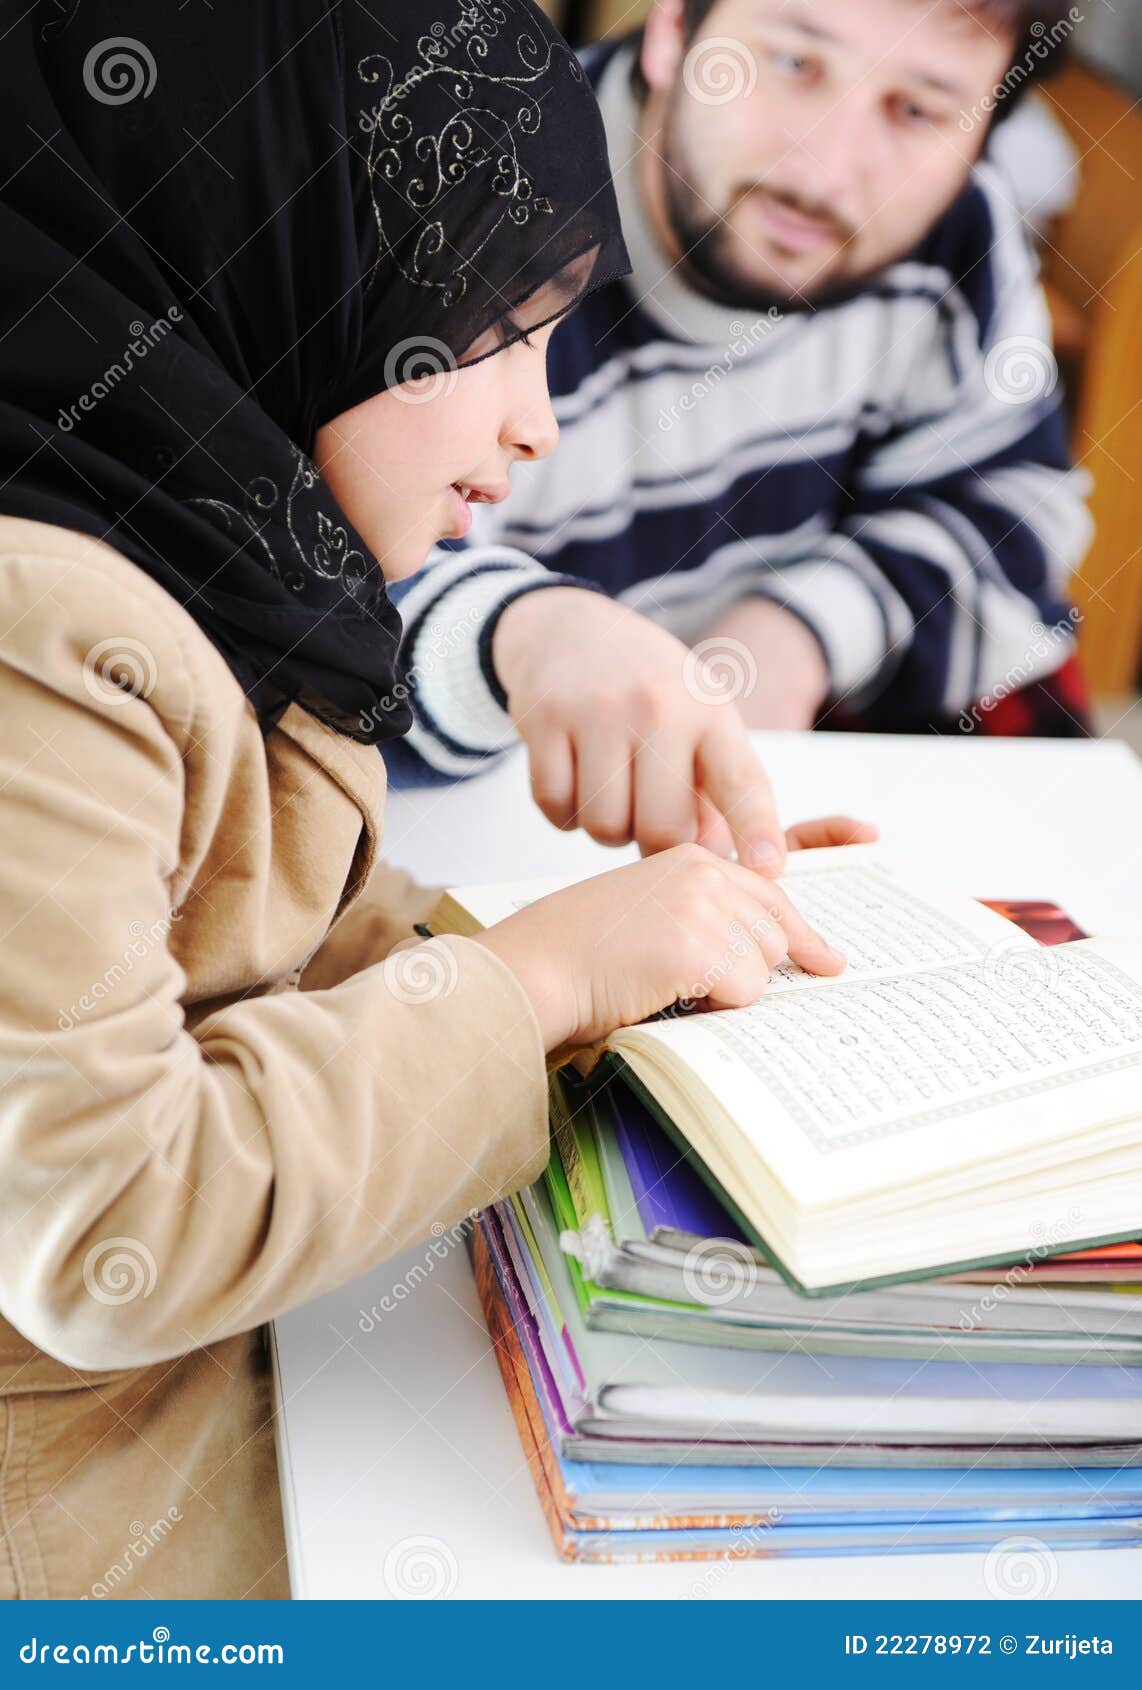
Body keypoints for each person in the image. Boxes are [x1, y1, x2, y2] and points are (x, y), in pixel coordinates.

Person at [0, 0, 864, 1598]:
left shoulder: (216, 554)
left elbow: (261, 962)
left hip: (266, 1383)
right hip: (90, 1528)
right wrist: (543, 975)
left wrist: (635, 955)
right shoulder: (44, 639)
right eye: (494, 325)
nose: (537, 417)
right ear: (291, 236)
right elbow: (110, 1222)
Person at [394, 0, 1095, 803]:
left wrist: (804, 632)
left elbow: (1017, 515)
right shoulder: (463, 201)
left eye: (917, 110)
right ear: (670, 31)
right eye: (795, 63)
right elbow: (292, 569)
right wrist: (516, 637)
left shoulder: (961, 231)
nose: (826, 171)